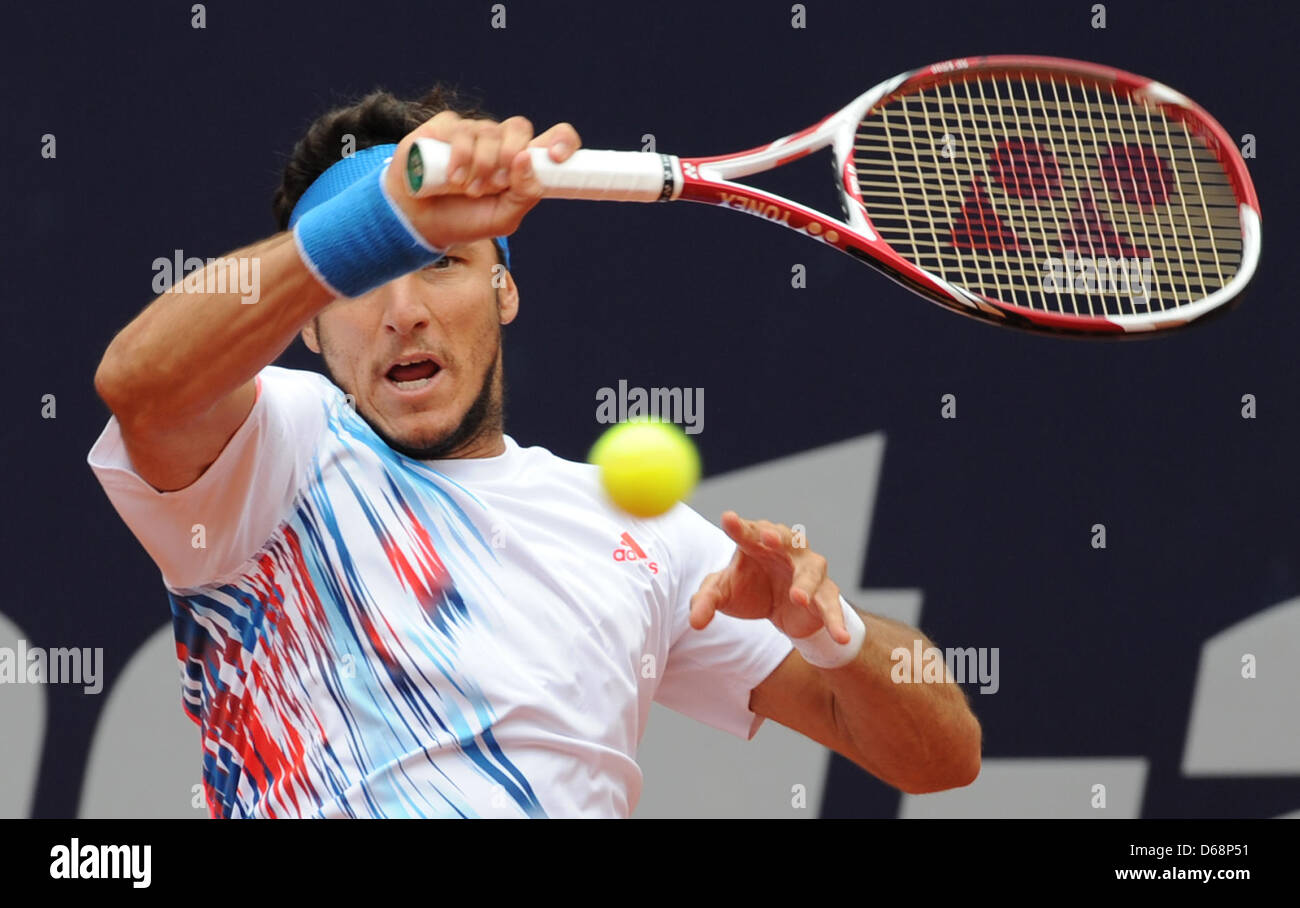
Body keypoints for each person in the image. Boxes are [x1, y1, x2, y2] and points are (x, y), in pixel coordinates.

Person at [87, 86, 981, 818]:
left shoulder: (641, 531)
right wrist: (381, 217)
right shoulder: (275, 454)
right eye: (362, 278)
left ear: (503, 288)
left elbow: (942, 758)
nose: (402, 309)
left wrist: (836, 637)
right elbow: (141, 386)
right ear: (310, 331)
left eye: (442, 261)